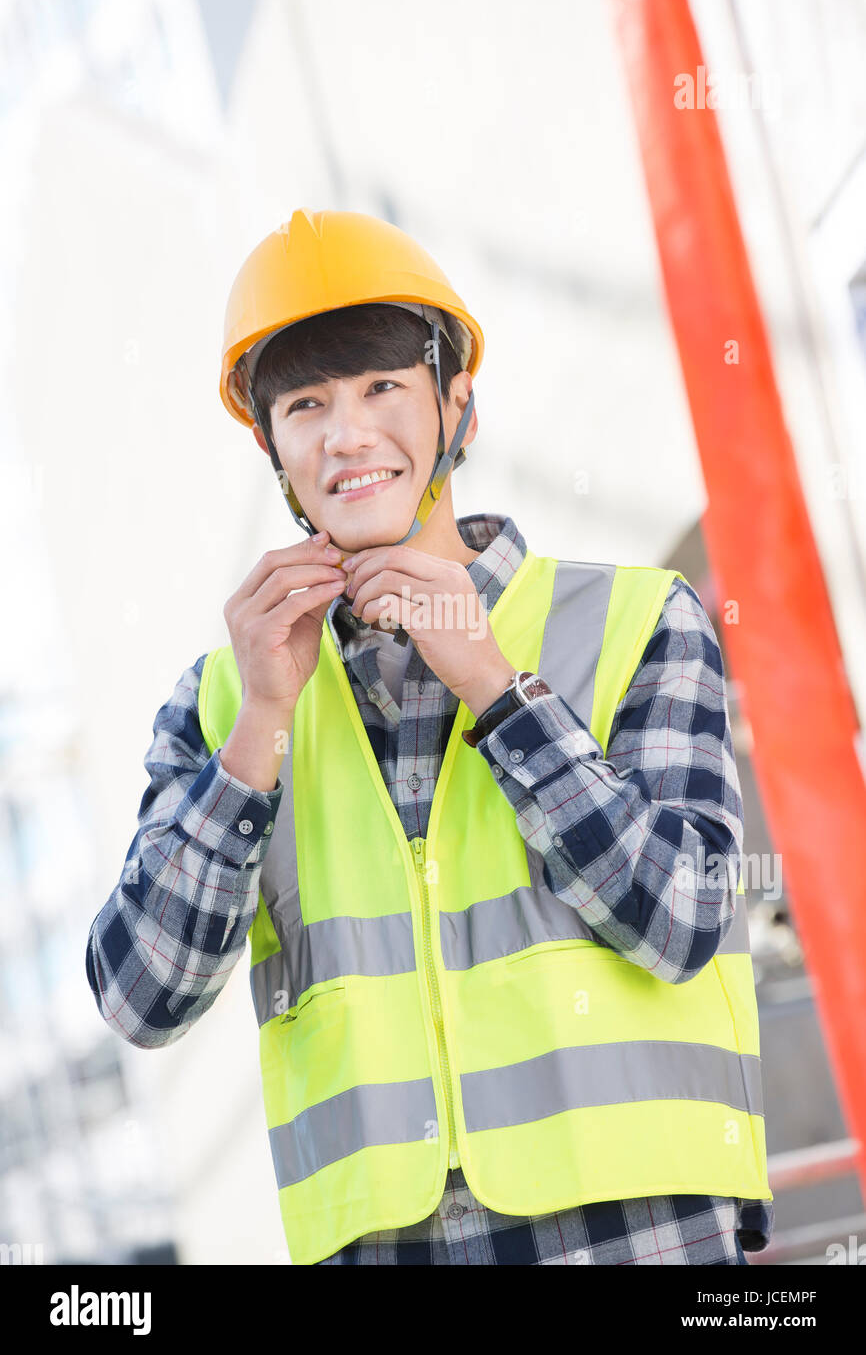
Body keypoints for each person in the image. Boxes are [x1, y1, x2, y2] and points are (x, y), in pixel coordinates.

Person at [86, 208, 774, 1265]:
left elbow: (681, 917)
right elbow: (141, 998)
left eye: (381, 388)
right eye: (305, 404)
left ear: (457, 405)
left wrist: (494, 686)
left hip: (639, 1240)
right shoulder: (222, 702)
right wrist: (259, 728)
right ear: (272, 447)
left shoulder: (633, 621)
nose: (345, 433)